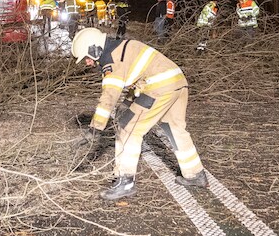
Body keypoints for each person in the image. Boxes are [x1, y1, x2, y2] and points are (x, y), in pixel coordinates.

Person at [71, 27, 207, 200]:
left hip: (159, 86)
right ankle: (195, 174)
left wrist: (95, 128)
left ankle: (125, 183)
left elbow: (109, 97)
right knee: (174, 128)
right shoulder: (122, 47)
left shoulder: (111, 61)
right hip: (177, 81)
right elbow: (137, 78)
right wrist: (127, 103)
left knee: (127, 128)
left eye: (87, 58)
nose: (88, 63)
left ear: (94, 49)